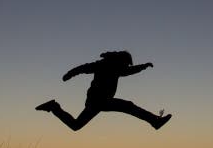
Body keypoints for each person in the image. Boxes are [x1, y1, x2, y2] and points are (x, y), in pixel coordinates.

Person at [35, 51, 172, 131]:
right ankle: (155, 121)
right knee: (128, 106)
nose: (125, 66)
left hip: (95, 102)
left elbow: (130, 70)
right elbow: (83, 68)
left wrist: (143, 66)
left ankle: (53, 107)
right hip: (99, 100)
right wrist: (69, 74)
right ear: (121, 60)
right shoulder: (104, 65)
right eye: (125, 63)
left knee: (76, 126)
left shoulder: (117, 68)